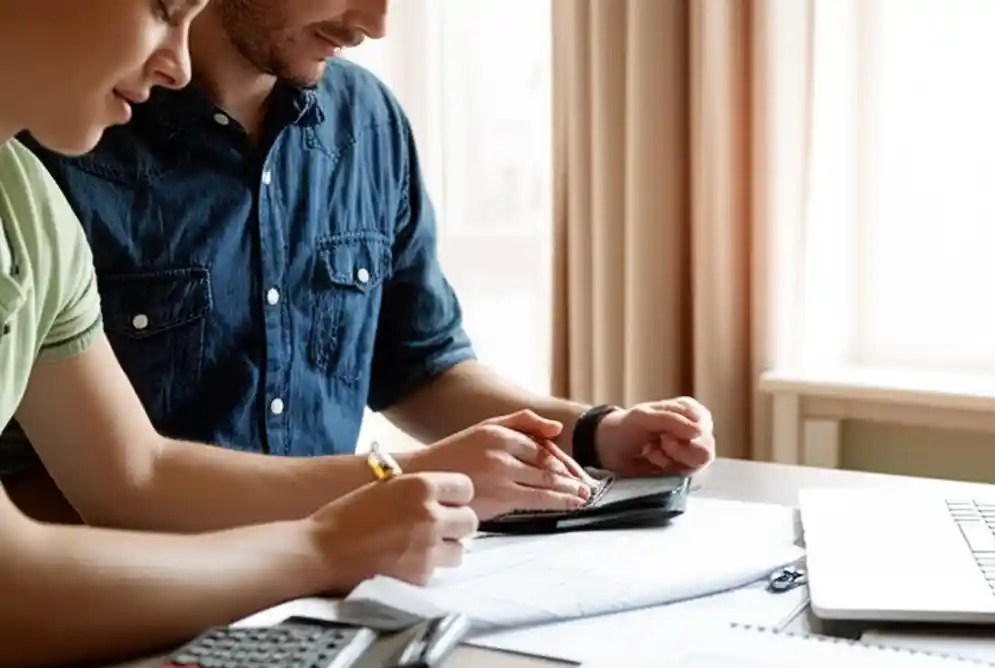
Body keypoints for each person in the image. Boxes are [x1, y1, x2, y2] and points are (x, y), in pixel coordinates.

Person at [2, 0, 718, 529]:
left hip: (331, 572)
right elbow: (116, 481)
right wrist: (389, 485)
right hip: (125, 586)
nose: (375, 22)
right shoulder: (57, 127)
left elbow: (419, 366)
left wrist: (594, 431)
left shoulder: (369, 122)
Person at [0, 0, 477, 668]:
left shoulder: (28, 206)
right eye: (166, 10)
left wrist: (393, 493)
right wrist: (321, 548)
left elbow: (137, 475)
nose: (177, 63)